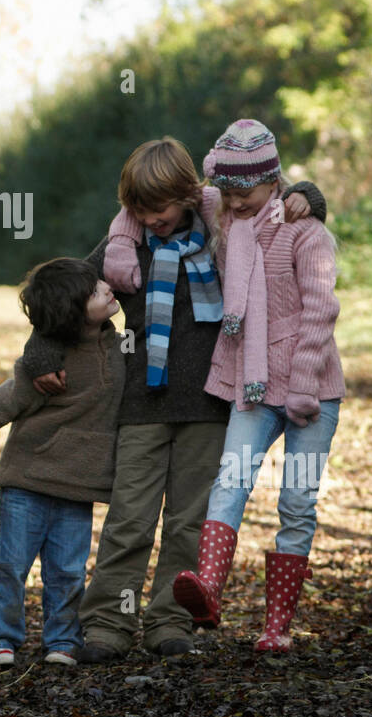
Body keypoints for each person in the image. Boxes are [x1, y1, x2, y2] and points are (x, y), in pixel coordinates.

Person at [22, 138, 326, 660]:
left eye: (156, 208)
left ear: (189, 194)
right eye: (136, 210)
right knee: (129, 519)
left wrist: (308, 196)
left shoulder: (224, 228)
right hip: (141, 404)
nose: (147, 218)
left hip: (211, 403)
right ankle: (107, 626)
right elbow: (70, 290)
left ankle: (170, 623)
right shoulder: (127, 241)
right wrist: (42, 350)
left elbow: (271, 209)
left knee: (190, 520)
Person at [173, 119, 345, 653]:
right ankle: (208, 587)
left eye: (244, 192)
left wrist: (303, 385)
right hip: (251, 385)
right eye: (226, 191)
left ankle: (278, 627)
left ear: (274, 182)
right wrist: (115, 249)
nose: (235, 202)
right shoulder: (223, 215)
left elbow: (320, 311)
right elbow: (155, 194)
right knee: (231, 481)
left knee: (297, 500)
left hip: (312, 391)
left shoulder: (306, 231)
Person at [0, 259, 124, 667]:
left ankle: (62, 641)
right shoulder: (47, 366)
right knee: (8, 565)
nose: (107, 287)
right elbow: (1, 405)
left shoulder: (121, 347)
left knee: (68, 571)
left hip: (79, 486)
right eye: (94, 290)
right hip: (28, 480)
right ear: (72, 311)